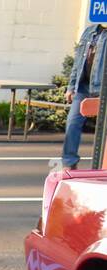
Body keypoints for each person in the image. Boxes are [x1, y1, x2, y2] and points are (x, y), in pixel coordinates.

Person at [64, 22, 107, 170]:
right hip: (84, 87)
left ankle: (102, 166)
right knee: (72, 122)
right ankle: (69, 163)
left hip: (103, 88)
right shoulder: (90, 31)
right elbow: (78, 62)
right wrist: (71, 86)